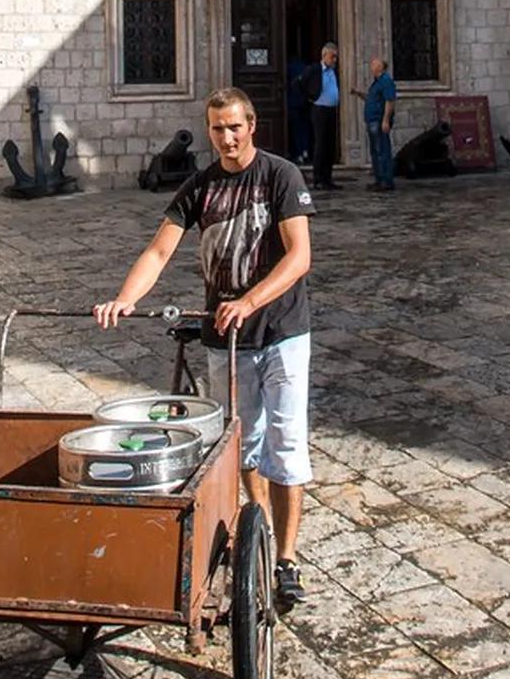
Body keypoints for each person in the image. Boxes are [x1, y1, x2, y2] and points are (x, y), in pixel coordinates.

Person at [93, 87, 314, 610]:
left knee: (288, 444)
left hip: (281, 331)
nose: (227, 137)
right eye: (218, 128)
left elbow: (300, 255)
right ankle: (255, 529)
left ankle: (286, 558)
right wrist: (124, 298)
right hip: (226, 339)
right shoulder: (203, 186)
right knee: (242, 443)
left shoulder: (281, 176)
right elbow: (161, 247)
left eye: (234, 126)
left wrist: (251, 299)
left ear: (252, 125)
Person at [298, 42, 340, 190]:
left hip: (332, 110)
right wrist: (310, 97)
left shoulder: (334, 71)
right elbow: (300, 83)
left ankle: (327, 178)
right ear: (324, 55)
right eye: (332, 56)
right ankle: (318, 178)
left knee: (330, 145)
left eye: (336, 57)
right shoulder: (314, 70)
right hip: (319, 110)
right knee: (320, 144)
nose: (334, 60)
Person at [359, 56, 397, 191]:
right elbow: (372, 99)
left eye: (374, 64)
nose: (371, 66)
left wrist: (385, 120)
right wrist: (359, 94)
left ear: (380, 66)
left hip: (378, 120)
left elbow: (389, 101)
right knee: (375, 151)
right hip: (371, 120)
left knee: (382, 150)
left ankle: (386, 180)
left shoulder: (386, 81)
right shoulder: (376, 83)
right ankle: (379, 179)